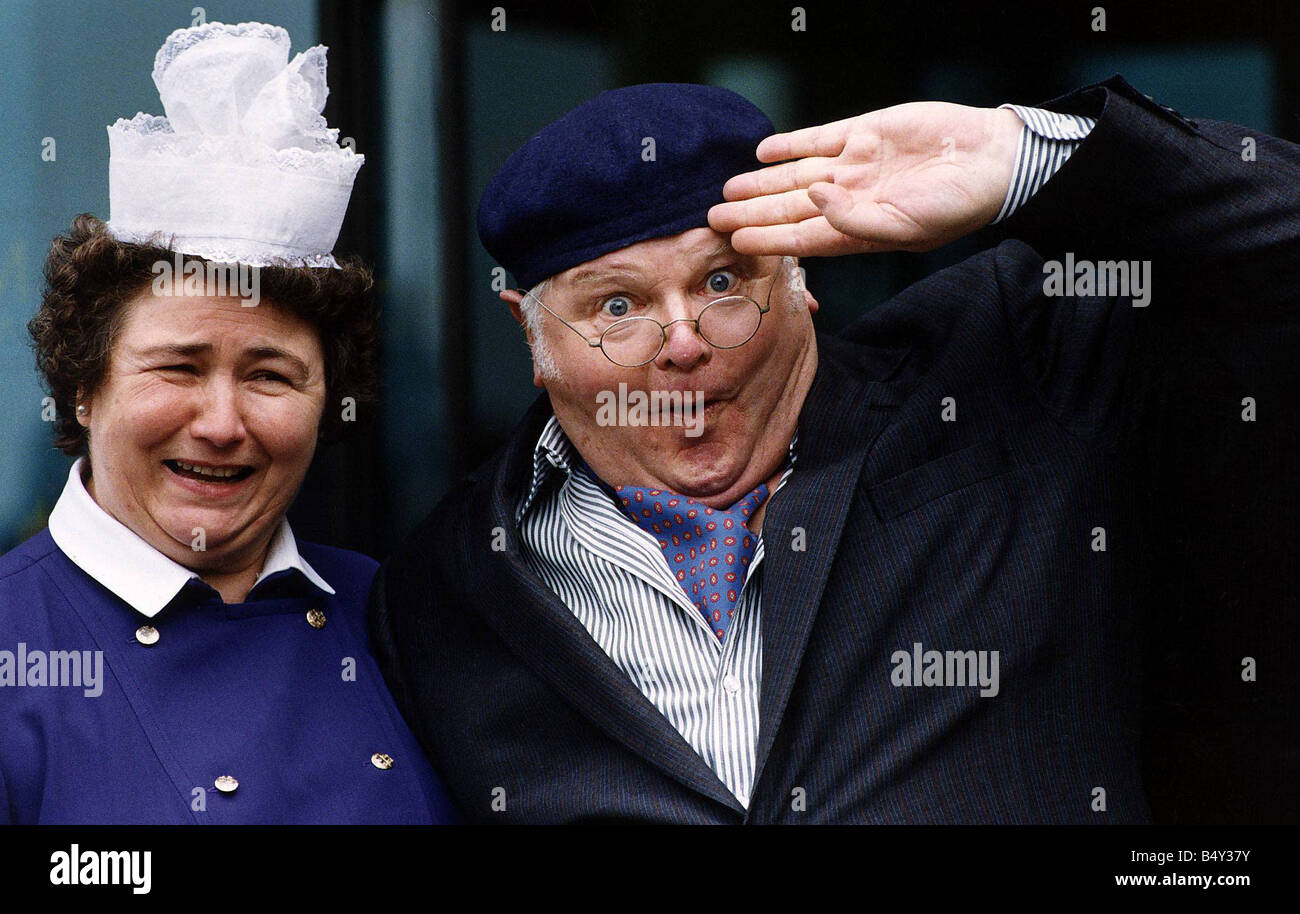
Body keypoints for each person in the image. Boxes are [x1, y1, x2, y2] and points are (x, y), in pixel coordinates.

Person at [371, 76, 1297, 824]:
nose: (685, 340)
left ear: (803, 278)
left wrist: (1024, 159)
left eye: (726, 279)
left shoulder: (1004, 374)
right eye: (617, 306)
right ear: (531, 338)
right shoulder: (440, 593)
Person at [0, 21, 459, 824]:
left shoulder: (400, 617)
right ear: (83, 388)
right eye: (178, 367)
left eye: (270, 376)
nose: (221, 423)